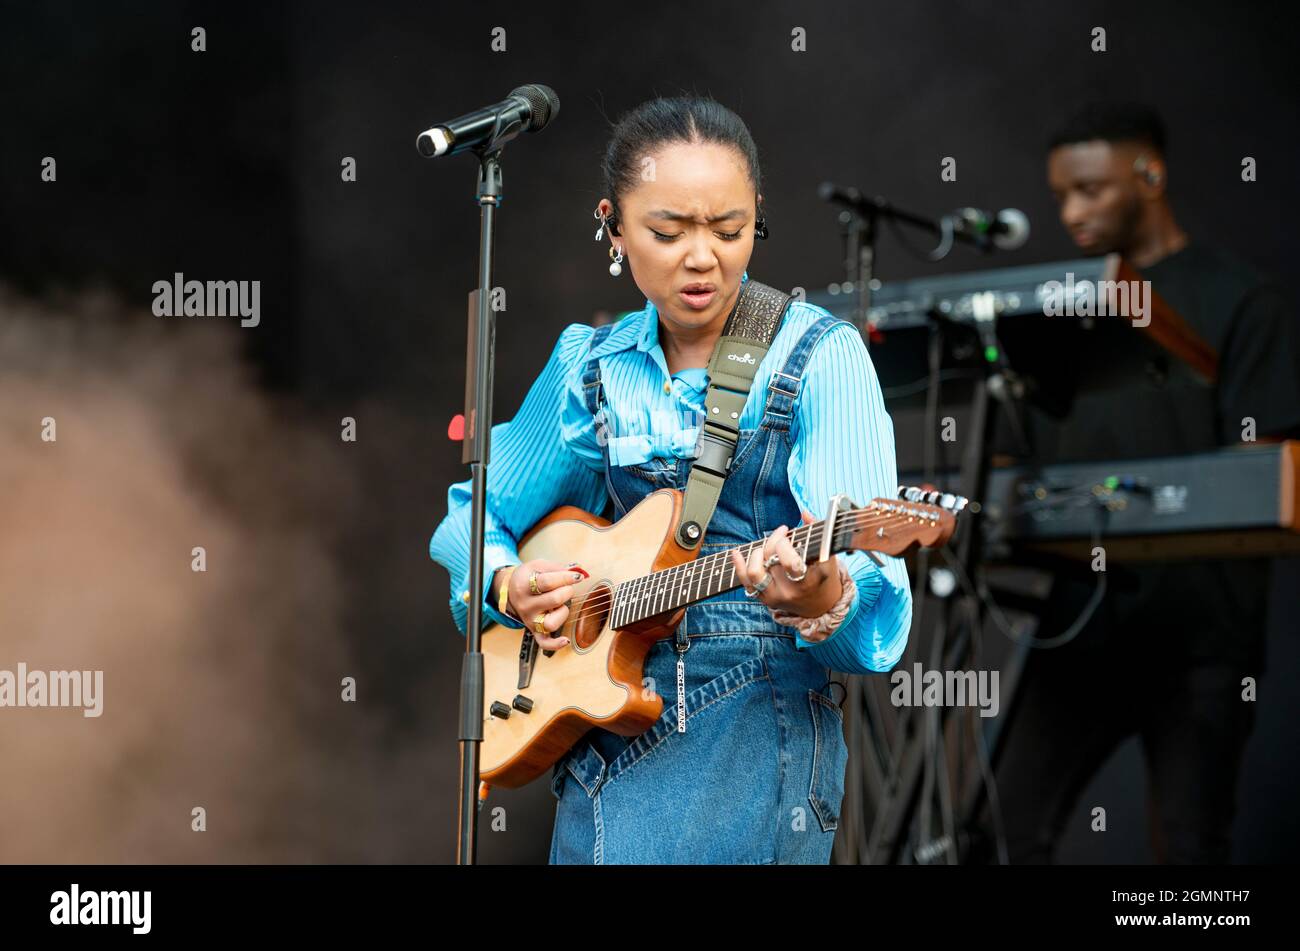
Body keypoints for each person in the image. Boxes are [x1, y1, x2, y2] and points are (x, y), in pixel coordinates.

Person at [429, 95, 912, 864]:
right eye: (667, 231)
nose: (703, 257)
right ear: (613, 227)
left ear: (757, 218)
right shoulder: (590, 365)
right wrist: (508, 584)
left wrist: (821, 593)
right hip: (600, 747)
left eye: (729, 229)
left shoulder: (820, 355)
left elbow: (870, 601)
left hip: (751, 739)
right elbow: (474, 516)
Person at [984, 102, 1300, 864]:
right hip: (1079, 628)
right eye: (1061, 195)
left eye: (1090, 190)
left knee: (1189, 856)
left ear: (1150, 176)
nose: (1071, 212)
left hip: (1202, 638)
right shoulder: (1057, 314)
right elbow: (1009, 470)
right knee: (997, 833)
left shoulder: (1240, 300)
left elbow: (1266, 476)